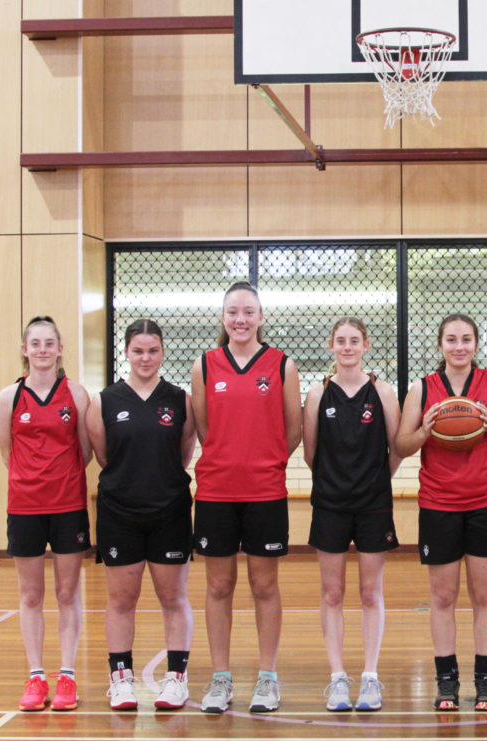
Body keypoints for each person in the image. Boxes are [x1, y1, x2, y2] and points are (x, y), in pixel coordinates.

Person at [394, 313, 487, 712]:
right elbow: (402, 444)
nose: (459, 346)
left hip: (485, 501)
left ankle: (486, 682)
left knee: (485, 596)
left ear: (476, 344)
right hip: (438, 503)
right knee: (442, 597)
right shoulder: (422, 388)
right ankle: (446, 682)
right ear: (440, 345)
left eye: (466, 339)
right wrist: (426, 430)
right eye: (451, 339)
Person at [190, 282, 302, 714]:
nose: (240, 320)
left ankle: (268, 678)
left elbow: (293, 429)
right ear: (223, 317)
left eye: (248, 312)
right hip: (216, 492)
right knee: (218, 585)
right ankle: (220, 678)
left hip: (264, 492)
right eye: (233, 312)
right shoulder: (204, 365)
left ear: (260, 317)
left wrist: (266, 459)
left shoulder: (281, 365)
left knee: (264, 585)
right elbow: (204, 429)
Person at [86, 320, 197, 711]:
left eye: (152, 350)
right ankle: (121, 680)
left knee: (173, 596)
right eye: (138, 351)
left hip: (170, 511)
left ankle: (175, 679)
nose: (145, 358)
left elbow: (183, 454)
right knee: (121, 598)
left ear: (162, 352)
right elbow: (104, 457)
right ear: (127, 353)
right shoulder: (105, 401)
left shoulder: (180, 399)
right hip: (120, 513)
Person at [302, 317, 403, 712]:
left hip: (373, 503)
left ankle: (371, 678)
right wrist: (334, 482)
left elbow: (396, 449)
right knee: (332, 592)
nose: (347, 347)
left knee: (370, 592)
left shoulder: (384, 391)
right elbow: (311, 453)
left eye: (354, 340)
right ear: (331, 345)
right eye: (341, 340)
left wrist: (376, 480)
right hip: (330, 503)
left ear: (366, 345)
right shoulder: (317, 394)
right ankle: (338, 678)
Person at [0, 315, 92, 712]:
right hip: (25, 507)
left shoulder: (77, 395)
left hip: (68, 504)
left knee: (67, 593)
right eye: (35, 343)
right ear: (25, 350)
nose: (42, 350)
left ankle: (66, 677)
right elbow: (7, 452)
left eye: (49, 343)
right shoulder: (9, 398)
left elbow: (85, 451)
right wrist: (32, 480)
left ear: (60, 348)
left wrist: (61, 478)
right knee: (31, 594)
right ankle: (36, 677)